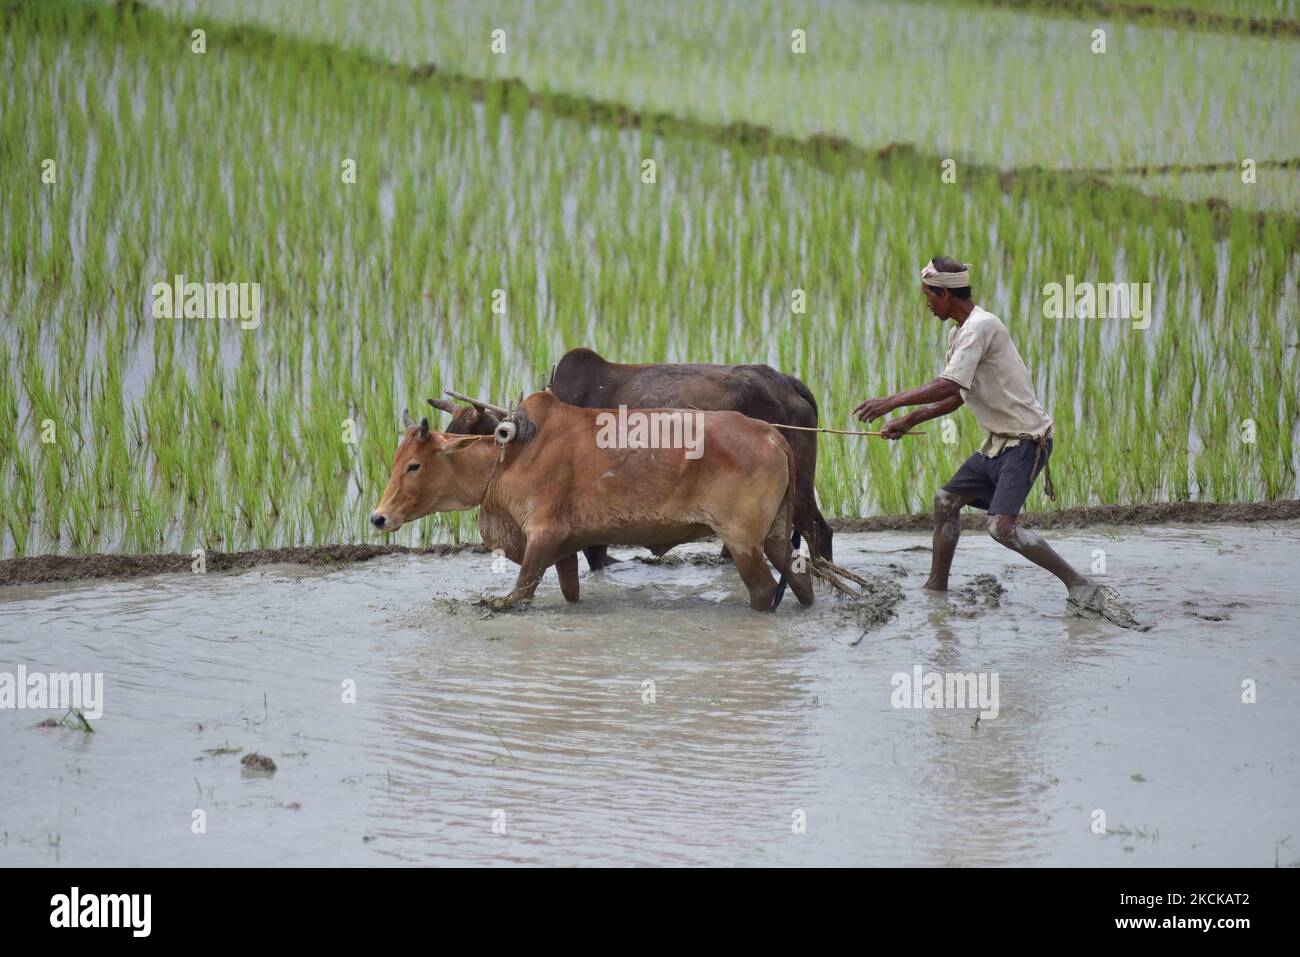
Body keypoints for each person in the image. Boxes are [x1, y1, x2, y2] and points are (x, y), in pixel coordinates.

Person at [853, 257, 1141, 628]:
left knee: (1001, 528)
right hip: (997, 444)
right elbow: (958, 395)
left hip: (1025, 442)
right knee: (946, 502)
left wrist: (891, 401)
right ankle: (935, 589)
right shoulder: (959, 332)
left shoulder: (981, 327)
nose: (925, 303)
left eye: (928, 295)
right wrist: (908, 421)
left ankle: (1081, 586)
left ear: (943, 293)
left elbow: (948, 385)